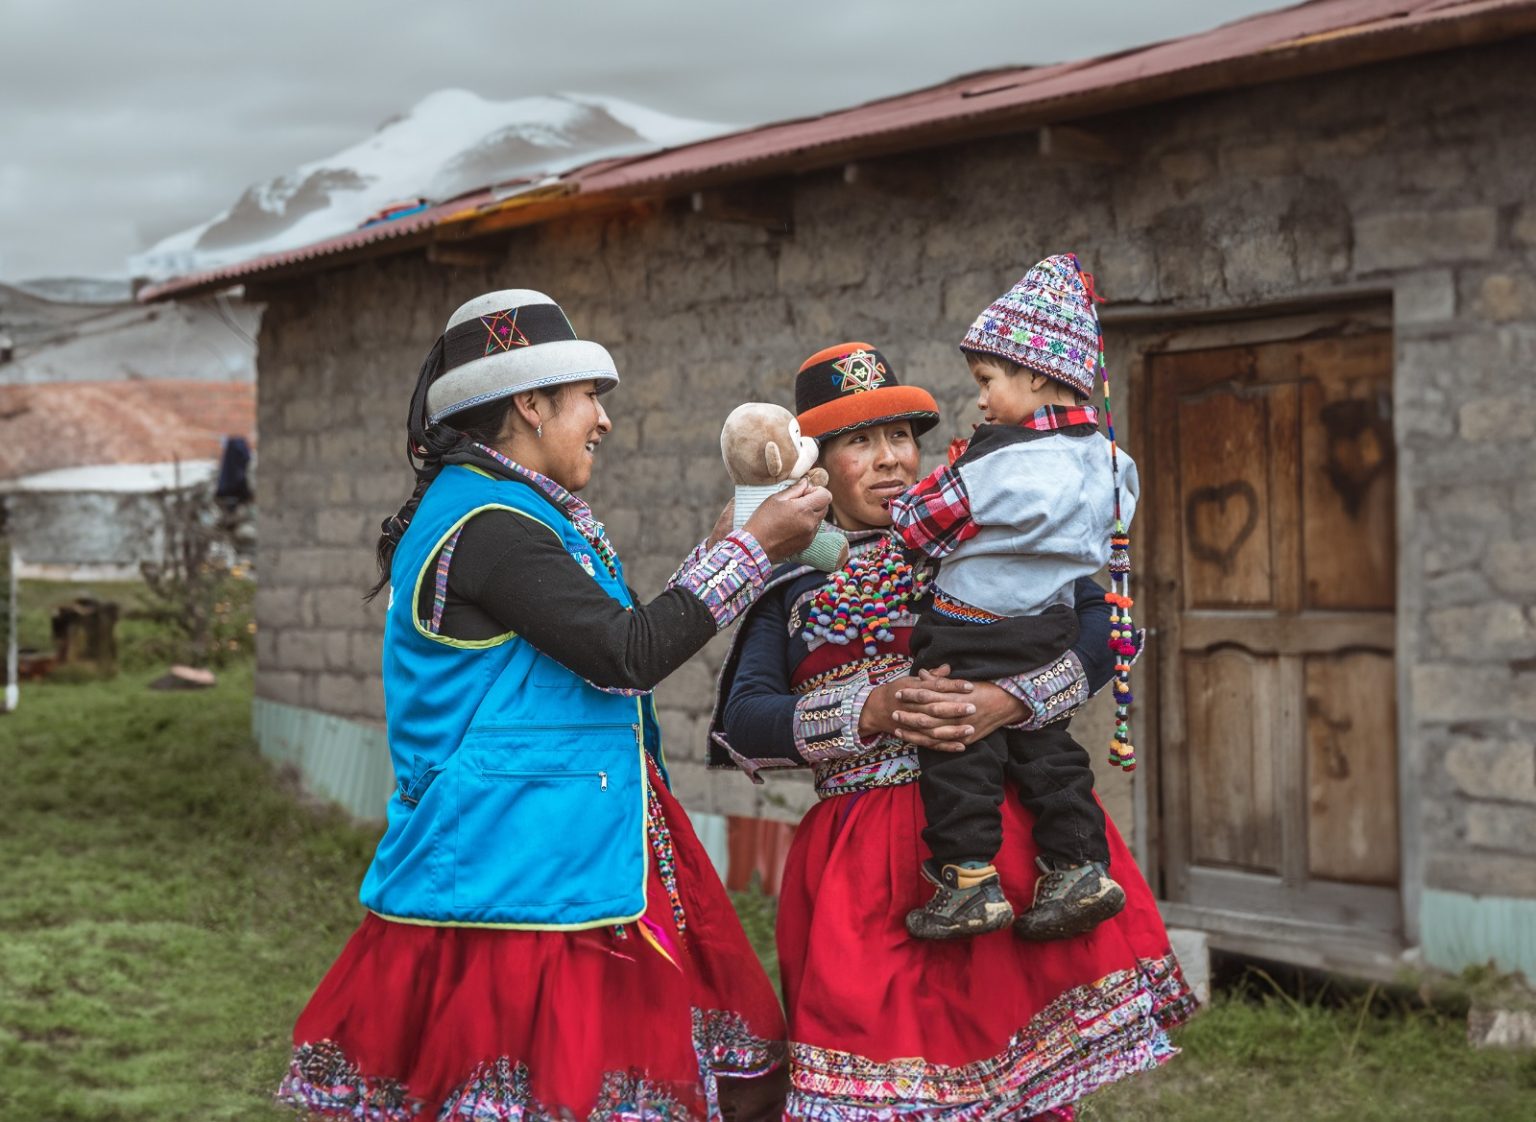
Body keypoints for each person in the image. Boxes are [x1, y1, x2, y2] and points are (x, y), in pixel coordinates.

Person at [278, 289, 830, 1122]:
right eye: (587, 401)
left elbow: (611, 636)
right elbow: (625, 653)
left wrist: (724, 550)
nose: (602, 422)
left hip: (566, 841)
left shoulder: (510, 513)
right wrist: (751, 555)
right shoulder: (492, 525)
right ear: (530, 406)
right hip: (523, 867)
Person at [710, 341, 1195, 1122]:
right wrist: (865, 711)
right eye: (858, 443)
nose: (890, 460)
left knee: (1016, 1093)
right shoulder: (789, 581)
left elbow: (1110, 624)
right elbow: (741, 724)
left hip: (1001, 843)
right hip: (859, 873)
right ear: (816, 466)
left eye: (901, 436)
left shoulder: (988, 536)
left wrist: (1014, 700)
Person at [889, 253, 1140, 942]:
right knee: (1047, 749)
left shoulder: (995, 463)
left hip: (967, 632)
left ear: (1035, 375)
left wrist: (937, 493)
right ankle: (1079, 868)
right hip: (1048, 630)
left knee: (960, 750)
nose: (980, 399)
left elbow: (918, 524)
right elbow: (1106, 540)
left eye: (987, 381)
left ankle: (969, 882)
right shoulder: (1115, 464)